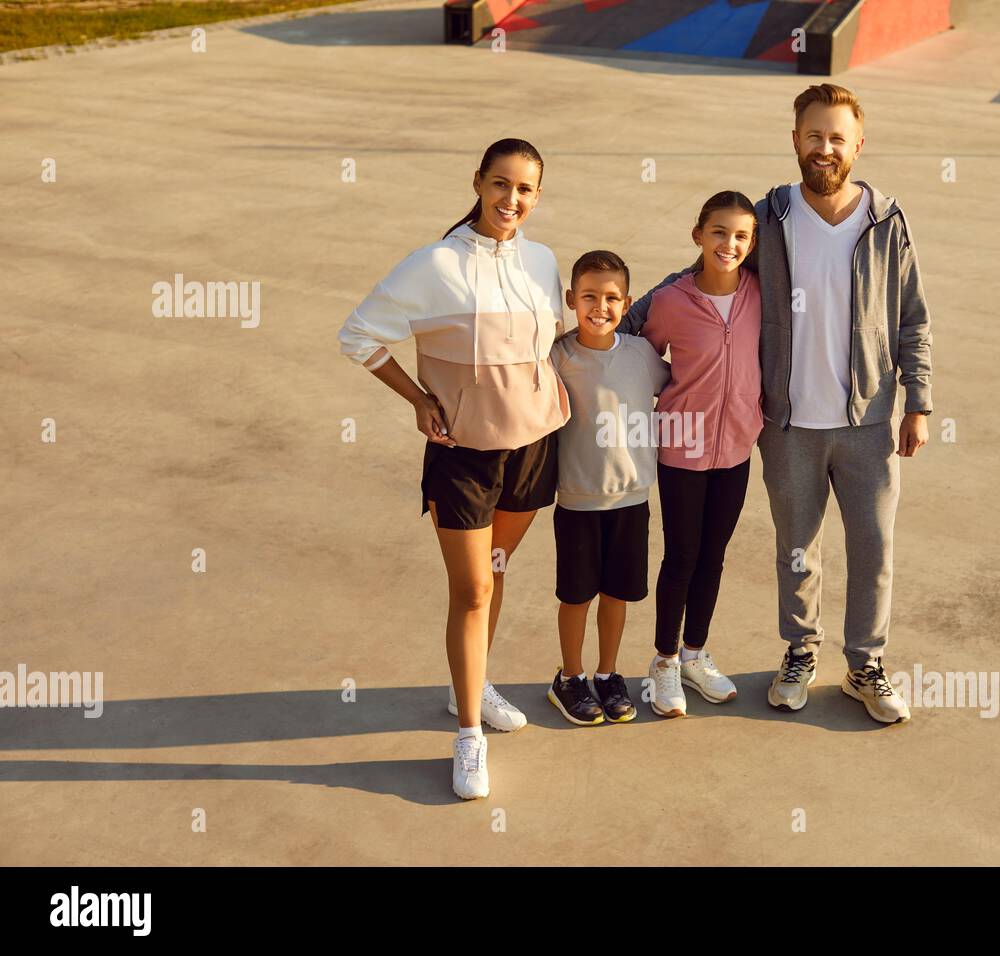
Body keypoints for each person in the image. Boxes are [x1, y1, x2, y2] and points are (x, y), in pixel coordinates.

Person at [620, 84, 934, 725]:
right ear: (795, 141)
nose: (825, 149)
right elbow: (702, 275)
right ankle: (800, 651)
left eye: (837, 138)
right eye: (813, 136)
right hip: (785, 424)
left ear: (858, 145)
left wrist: (918, 401)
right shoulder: (772, 219)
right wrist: (603, 338)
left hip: (868, 420)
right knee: (798, 548)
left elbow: (912, 319)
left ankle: (865, 664)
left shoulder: (886, 221)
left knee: (873, 547)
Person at [337, 138, 571, 798]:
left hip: (535, 445)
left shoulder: (543, 259)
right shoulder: (434, 264)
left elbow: (554, 336)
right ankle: (468, 736)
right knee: (470, 590)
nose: (511, 200)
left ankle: (473, 682)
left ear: (537, 196)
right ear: (478, 182)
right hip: (463, 455)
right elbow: (357, 334)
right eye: (501, 185)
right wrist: (417, 398)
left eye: (525, 189)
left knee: (495, 577)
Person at [637, 191, 764, 718]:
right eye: (718, 232)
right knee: (681, 555)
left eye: (740, 236)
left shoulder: (761, 294)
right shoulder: (670, 301)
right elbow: (638, 355)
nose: (728, 244)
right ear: (698, 235)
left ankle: (694, 654)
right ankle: (664, 662)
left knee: (714, 555)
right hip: (683, 447)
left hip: (736, 445)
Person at [547, 251, 670, 725]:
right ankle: (570, 678)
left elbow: (678, 385)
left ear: (628, 302)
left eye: (612, 298)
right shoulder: (558, 355)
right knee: (576, 595)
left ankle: (607, 674)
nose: (601, 306)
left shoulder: (640, 354)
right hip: (578, 498)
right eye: (590, 297)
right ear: (571, 300)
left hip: (632, 499)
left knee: (618, 593)